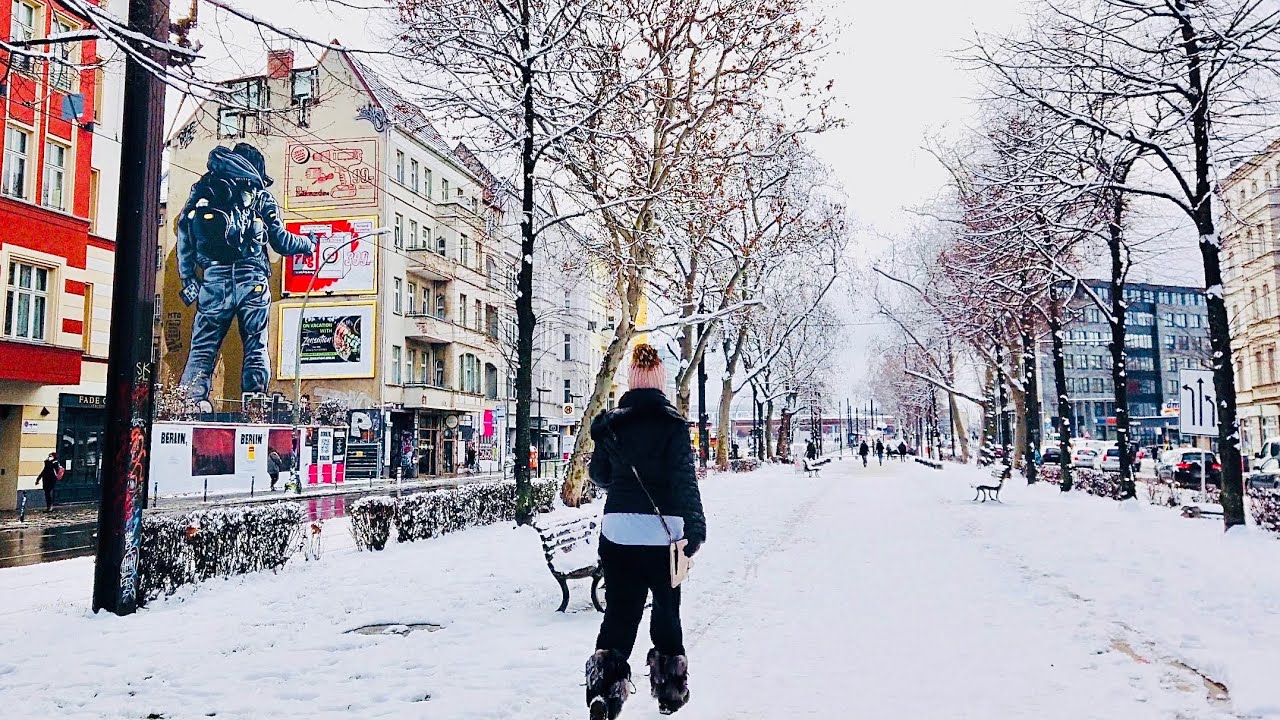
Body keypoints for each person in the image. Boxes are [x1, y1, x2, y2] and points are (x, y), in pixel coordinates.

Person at [585, 343, 706, 719]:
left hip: (618, 531)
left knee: (620, 612)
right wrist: (696, 529)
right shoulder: (672, 426)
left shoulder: (614, 425)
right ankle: (669, 692)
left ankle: (604, 691)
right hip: (662, 535)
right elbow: (684, 482)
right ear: (661, 383)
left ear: (632, 382)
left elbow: (600, 476)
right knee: (666, 612)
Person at [176, 143, 317, 412]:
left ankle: (189, 404)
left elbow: (185, 228)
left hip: (213, 280)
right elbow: (281, 242)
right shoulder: (260, 197)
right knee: (255, 344)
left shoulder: (205, 189)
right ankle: (254, 405)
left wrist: (187, 277)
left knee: (203, 347)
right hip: (252, 281)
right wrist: (308, 244)